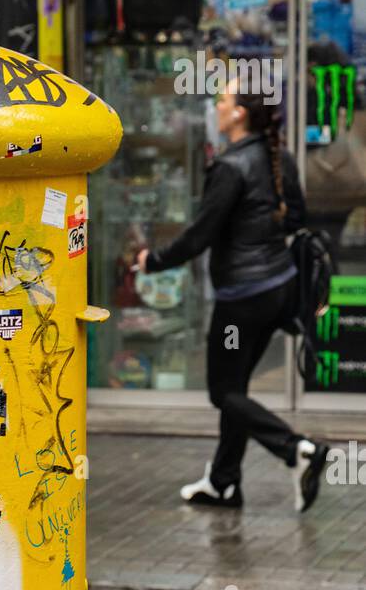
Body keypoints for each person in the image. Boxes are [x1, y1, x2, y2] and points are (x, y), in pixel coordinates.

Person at [137, 83, 329, 513]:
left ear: (240, 114)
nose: (217, 107)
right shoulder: (280, 158)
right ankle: (224, 482)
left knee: (223, 392)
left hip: (240, 305)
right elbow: (295, 217)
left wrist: (154, 260)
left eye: (223, 101)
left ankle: (295, 448)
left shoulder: (230, 166)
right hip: (277, 289)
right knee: (237, 386)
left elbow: (200, 234)